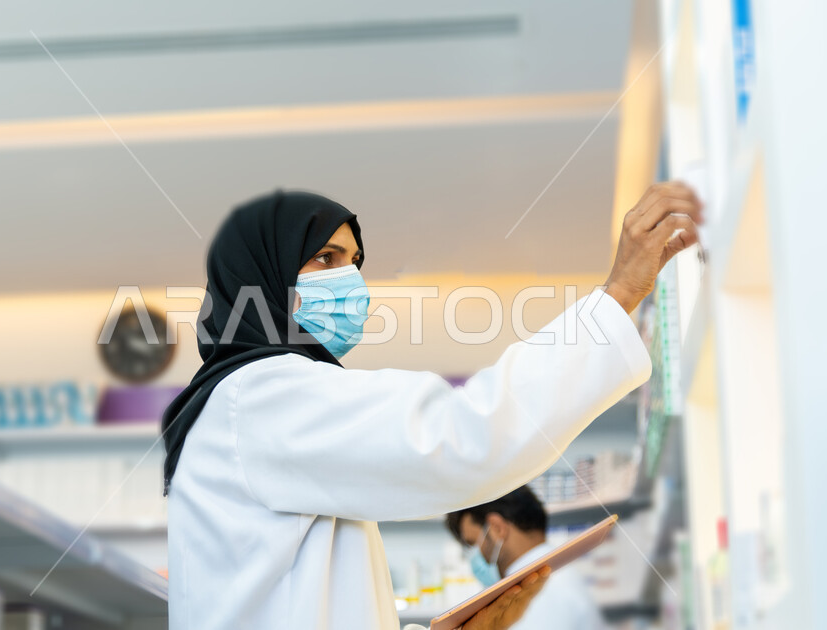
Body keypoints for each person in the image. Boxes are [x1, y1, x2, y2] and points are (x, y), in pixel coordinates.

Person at [163, 184, 702, 629]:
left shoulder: (255, 404)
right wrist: (619, 296)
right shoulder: (261, 396)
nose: (349, 281)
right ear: (262, 275)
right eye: (326, 259)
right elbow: (462, 438)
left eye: (354, 263)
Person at [446, 486, 605, 630]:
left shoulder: (535, 591)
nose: (475, 557)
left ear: (496, 528)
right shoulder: (556, 575)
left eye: (473, 543)